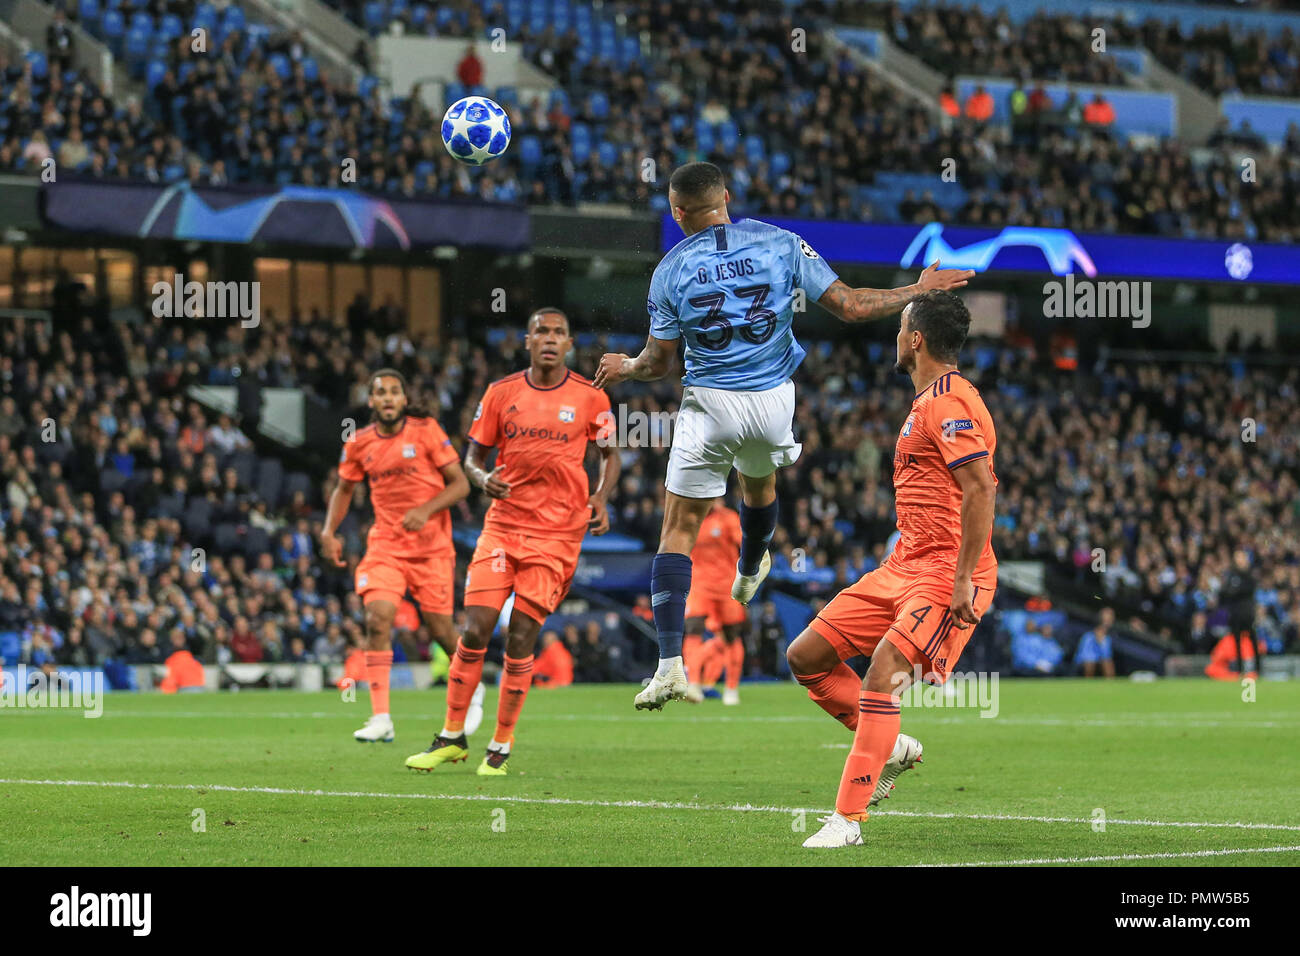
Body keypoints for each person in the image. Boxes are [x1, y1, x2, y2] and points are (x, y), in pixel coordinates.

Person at [593, 161, 973, 711]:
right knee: (758, 480)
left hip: (710, 402)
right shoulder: (781, 242)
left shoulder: (671, 269)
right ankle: (753, 562)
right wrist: (918, 289)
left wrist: (625, 366)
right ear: (726, 195)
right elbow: (852, 306)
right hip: (773, 400)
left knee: (678, 530)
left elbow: (657, 362)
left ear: (677, 213)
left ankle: (670, 665)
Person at [787, 290, 998, 849]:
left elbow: (980, 489)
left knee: (883, 669)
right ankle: (892, 745)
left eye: (901, 327)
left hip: (946, 569)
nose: (895, 336)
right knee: (806, 656)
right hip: (903, 563)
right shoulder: (926, 401)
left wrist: (962, 579)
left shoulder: (948, 403)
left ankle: (848, 820)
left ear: (916, 339)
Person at [405, 308, 619, 775]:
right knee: (476, 628)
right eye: (541, 330)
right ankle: (452, 735)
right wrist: (483, 480)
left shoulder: (591, 397)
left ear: (568, 344)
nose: (549, 338)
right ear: (527, 340)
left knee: (521, 635)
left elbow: (609, 454)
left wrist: (600, 497)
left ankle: (500, 743)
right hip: (503, 527)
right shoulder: (501, 393)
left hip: (557, 535)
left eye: (558, 332)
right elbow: (472, 458)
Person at [321, 368, 473, 744]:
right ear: (371, 401)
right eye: (380, 392)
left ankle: (472, 686)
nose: (388, 398)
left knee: (441, 631)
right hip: (386, 546)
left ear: (404, 399)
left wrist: (425, 509)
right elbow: (343, 489)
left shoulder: (427, 431)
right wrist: (328, 531)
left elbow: (461, 484)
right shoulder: (358, 443)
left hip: (431, 549)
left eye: (394, 391)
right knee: (378, 619)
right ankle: (381, 717)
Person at [682, 498, 747, 705]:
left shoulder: (728, 518)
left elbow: (745, 545)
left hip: (726, 585)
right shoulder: (688, 518)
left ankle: (731, 688)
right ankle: (693, 685)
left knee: (730, 635)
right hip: (699, 584)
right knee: (693, 627)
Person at [1076, 606, 1116, 677]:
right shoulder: (1088, 636)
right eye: (1107, 618)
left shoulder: (1109, 637)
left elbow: (1107, 655)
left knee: (1107, 663)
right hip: (1085, 661)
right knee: (1090, 664)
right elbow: (1084, 655)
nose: (1109, 621)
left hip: (1100, 661)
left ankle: (1110, 685)